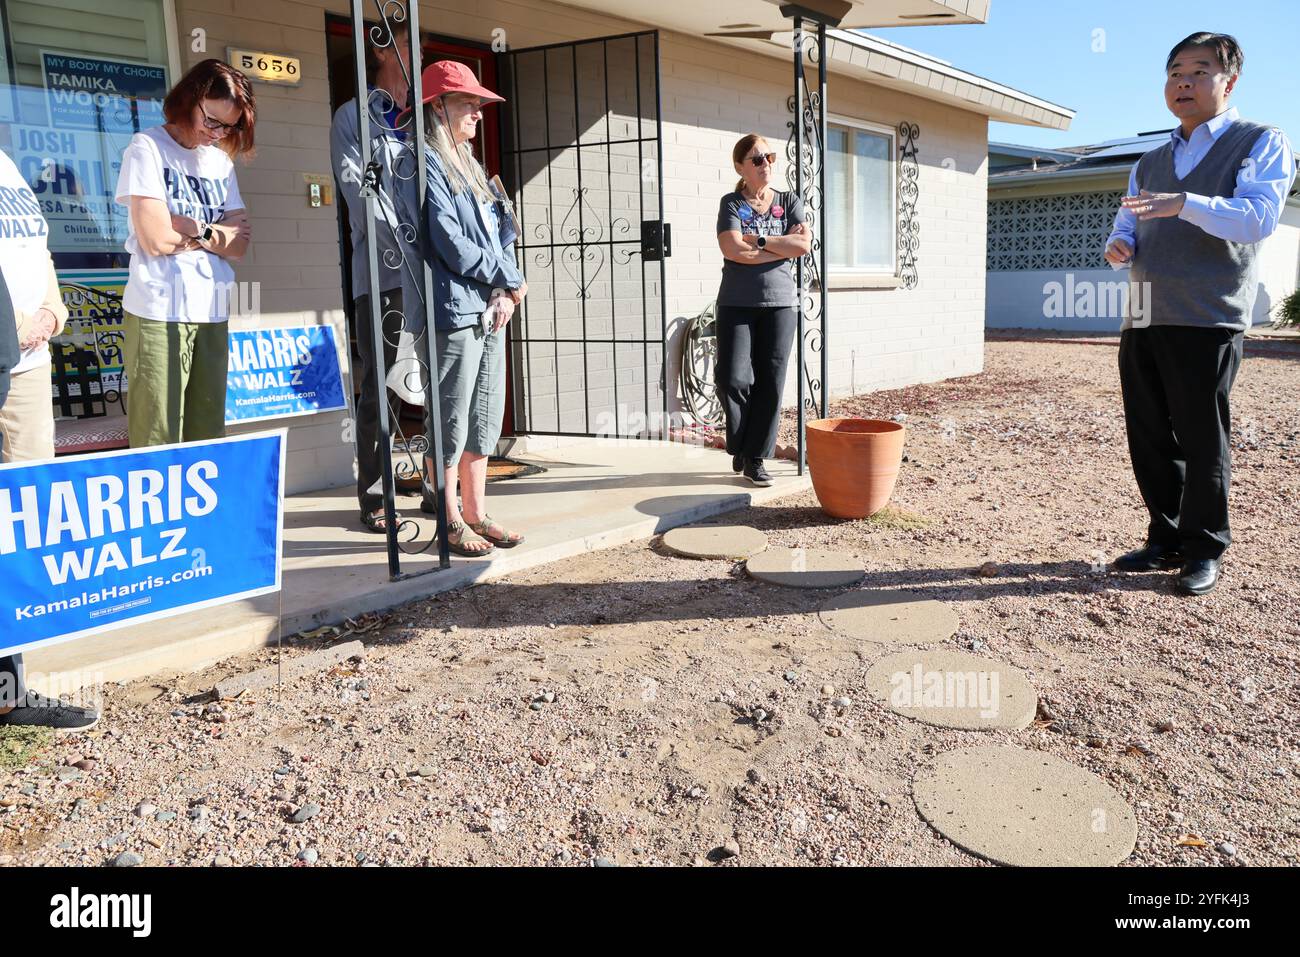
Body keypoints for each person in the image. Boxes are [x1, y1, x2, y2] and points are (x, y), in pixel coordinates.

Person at [1104, 32, 1295, 595]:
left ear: (1229, 81)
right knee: (1149, 435)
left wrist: (1184, 203)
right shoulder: (1149, 160)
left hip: (1207, 316)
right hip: (1142, 314)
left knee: (1201, 437)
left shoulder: (1261, 141)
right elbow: (1127, 226)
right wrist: (1119, 248)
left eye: (1199, 71)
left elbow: (1257, 217)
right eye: (1174, 72)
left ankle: (1203, 547)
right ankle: (1163, 537)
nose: (1182, 82)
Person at [396, 60, 527, 556]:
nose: (477, 112)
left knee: (484, 418)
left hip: (490, 308)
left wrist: (505, 290)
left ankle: (476, 512)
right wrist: (509, 279)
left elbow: (501, 233)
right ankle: (448, 518)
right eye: (467, 103)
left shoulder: (469, 162)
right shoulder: (421, 162)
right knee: (449, 419)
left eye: (478, 103)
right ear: (437, 107)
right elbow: (447, 242)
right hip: (451, 309)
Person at [0, 168, 98, 731]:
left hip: (30, 365)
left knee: (20, 524)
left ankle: (7, 690)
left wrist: (49, 315)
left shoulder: (11, 166)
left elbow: (41, 258)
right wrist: (14, 323)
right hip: (6, 343)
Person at [331, 22, 439, 533]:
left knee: (437, 384)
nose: (415, 56)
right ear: (382, 53)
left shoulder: (425, 119)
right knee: (381, 388)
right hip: (385, 275)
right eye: (406, 47)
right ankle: (377, 496)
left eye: (417, 49)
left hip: (435, 277)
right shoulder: (353, 116)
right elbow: (360, 196)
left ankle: (438, 488)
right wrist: (410, 238)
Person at [114, 58, 255, 448]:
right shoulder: (147, 148)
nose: (216, 133)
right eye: (211, 120)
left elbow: (240, 245)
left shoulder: (220, 162)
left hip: (212, 307)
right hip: (159, 310)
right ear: (190, 99)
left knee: (207, 433)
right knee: (158, 434)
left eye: (227, 126)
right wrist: (215, 236)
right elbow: (155, 240)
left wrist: (194, 227)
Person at [714, 134, 811, 487]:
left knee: (771, 382)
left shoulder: (789, 200)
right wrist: (778, 246)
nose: (765, 164)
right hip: (736, 303)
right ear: (740, 166)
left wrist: (758, 240)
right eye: (756, 159)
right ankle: (741, 443)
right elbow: (732, 250)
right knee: (732, 378)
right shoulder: (731, 204)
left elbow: (802, 244)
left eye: (769, 157)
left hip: (781, 304)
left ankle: (755, 458)